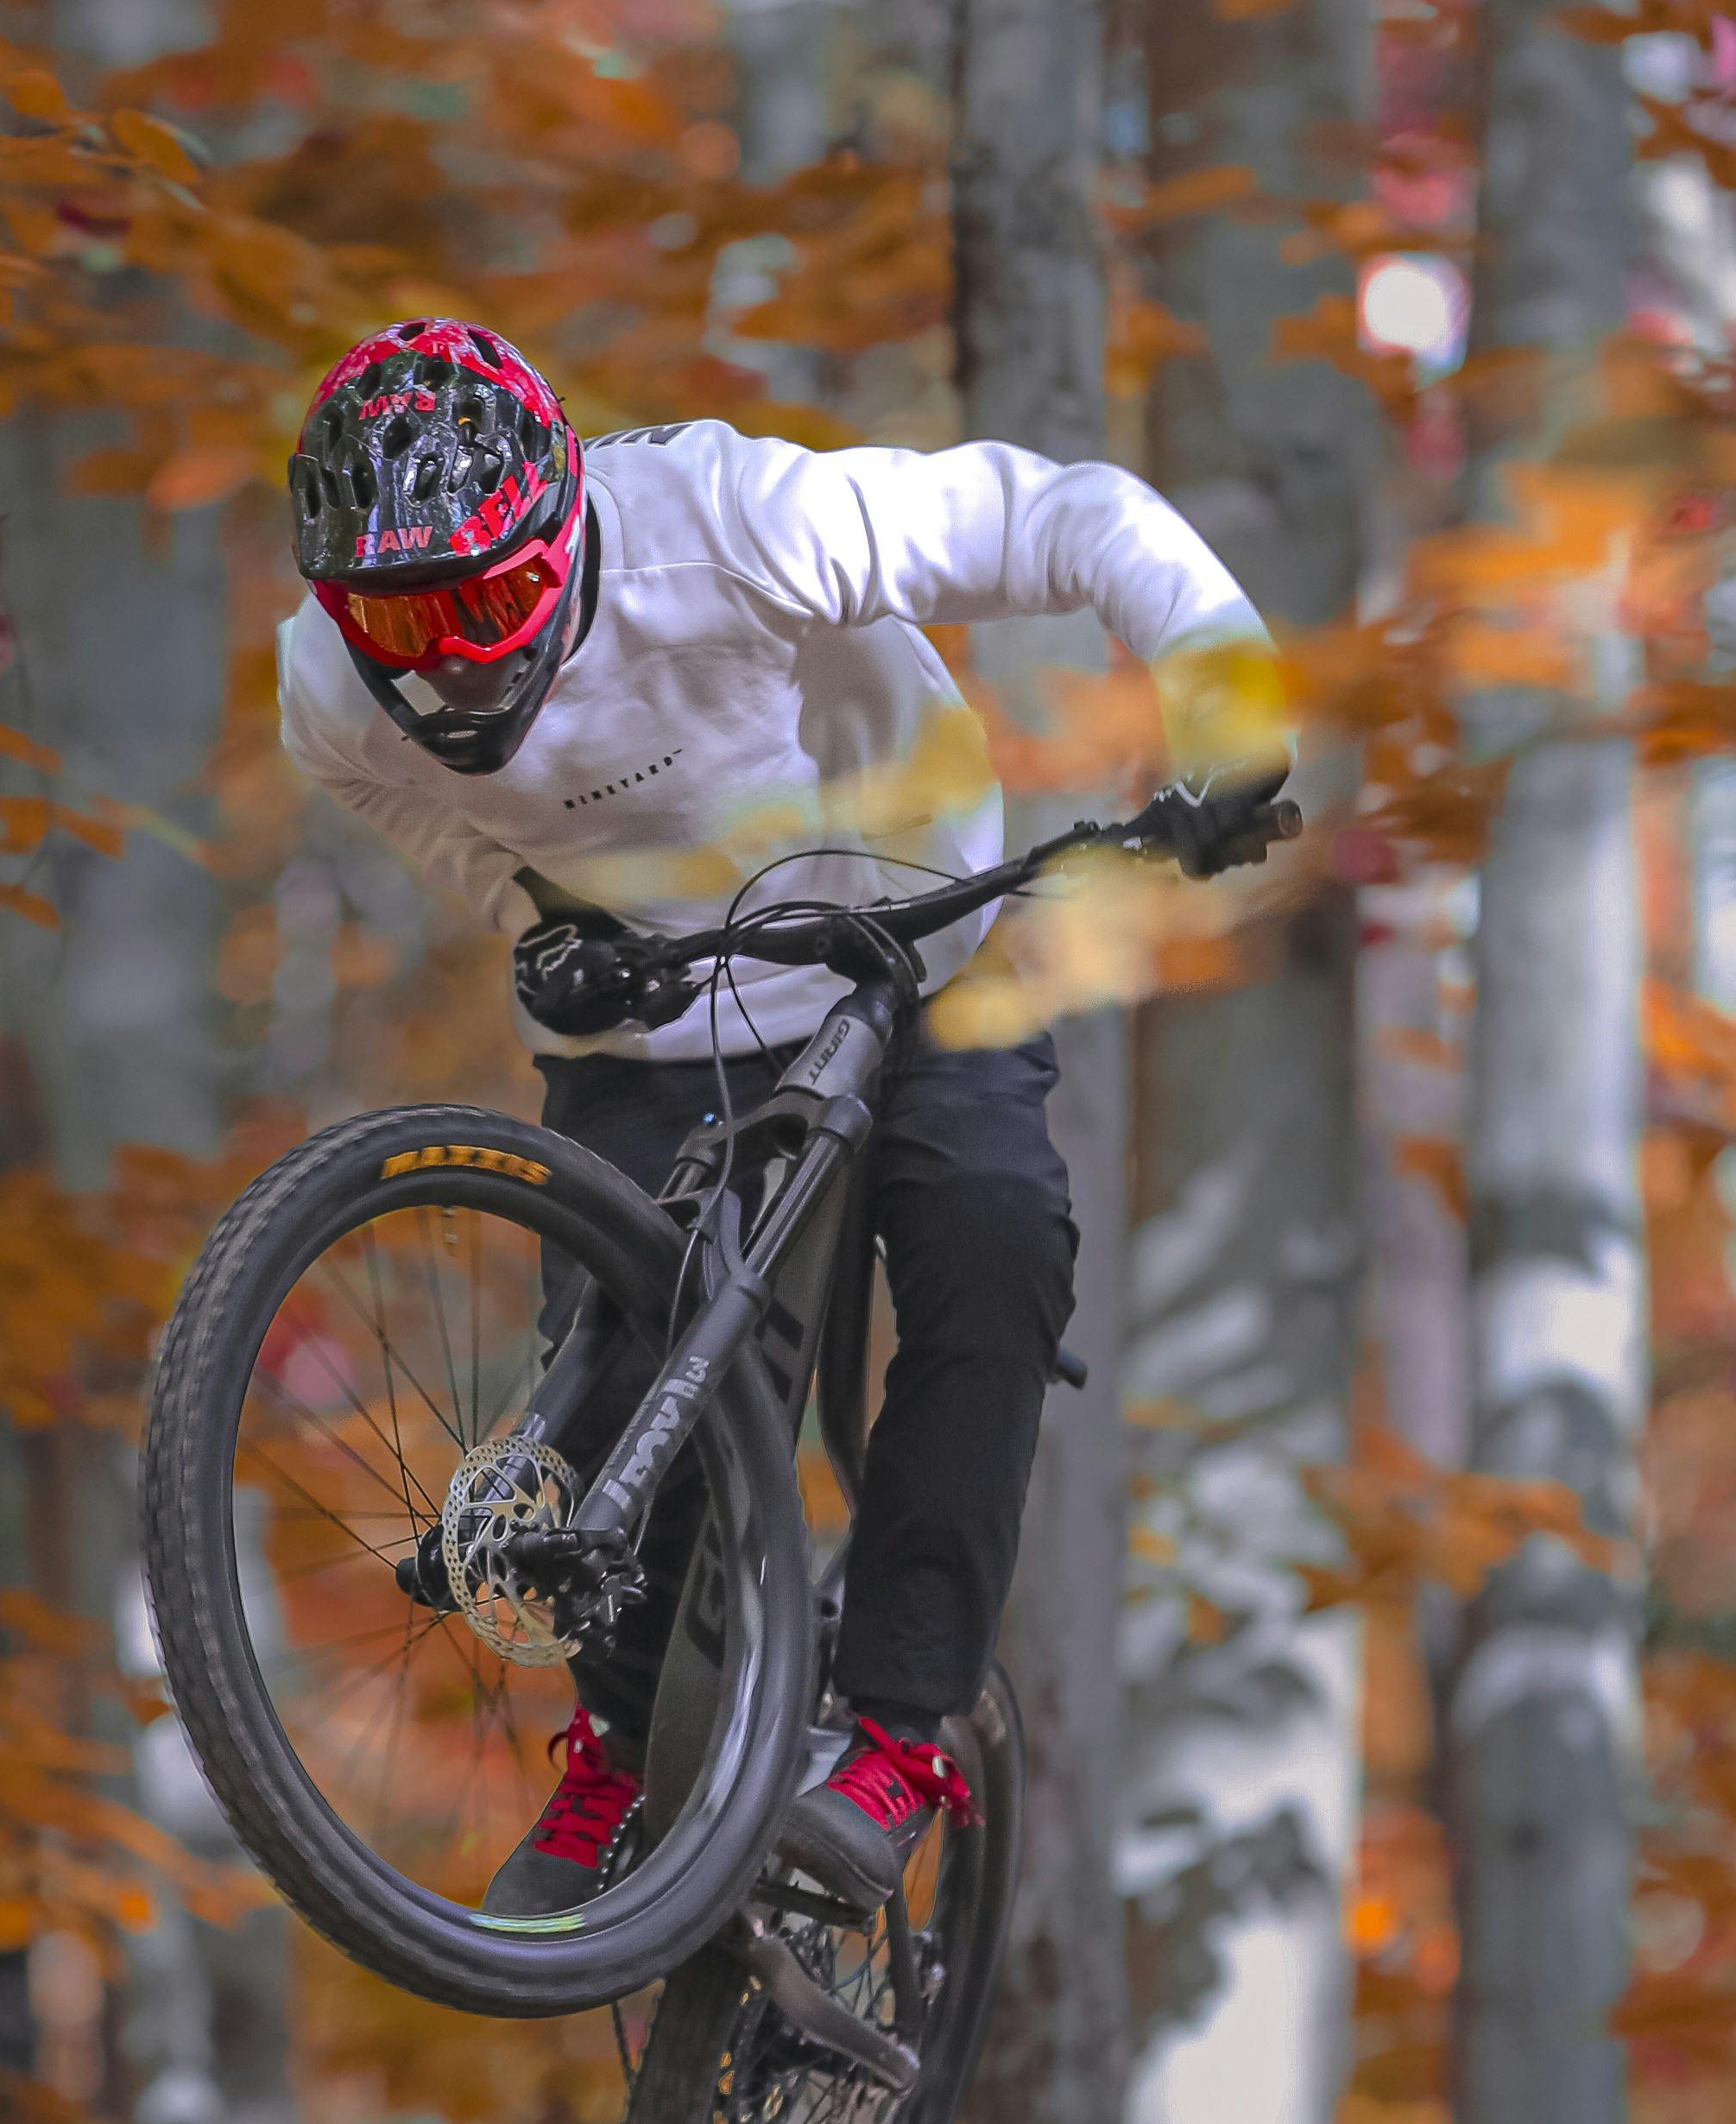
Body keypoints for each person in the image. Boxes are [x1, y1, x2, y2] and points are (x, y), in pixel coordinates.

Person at [275, 317, 1288, 1919]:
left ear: (564, 536)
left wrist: (1227, 706)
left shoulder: (738, 523)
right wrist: (528, 904)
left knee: (991, 1244)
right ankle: (625, 1740)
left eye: (484, 604)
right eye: (400, 621)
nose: (450, 658)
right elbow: (416, 802)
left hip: (916, 944)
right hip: (655, 1006)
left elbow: (1065, 511)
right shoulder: (333, 692)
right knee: (625, 1358)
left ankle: (894, 1737)